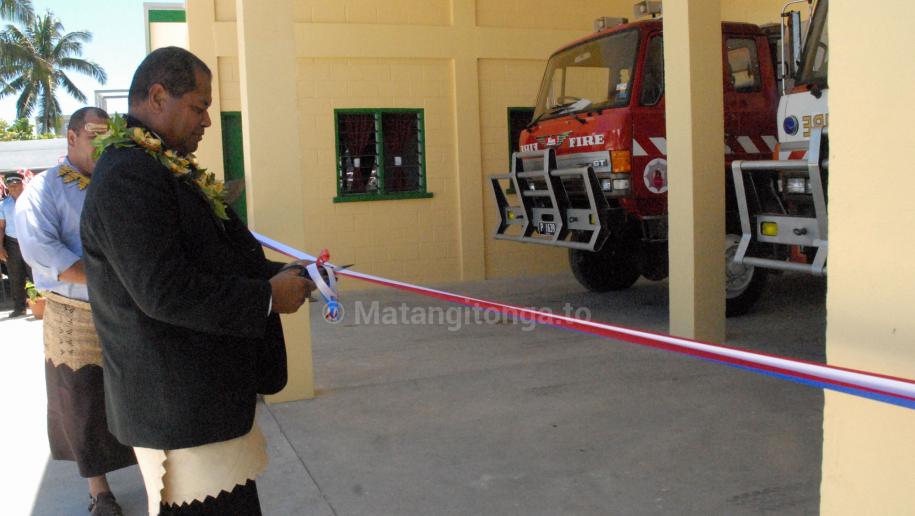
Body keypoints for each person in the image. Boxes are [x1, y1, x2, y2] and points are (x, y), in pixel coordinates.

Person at [80, 46, 314, 515]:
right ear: (158, 96)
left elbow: (214, 260)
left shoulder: (163, 166)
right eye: (199, 106)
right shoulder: (129, 174)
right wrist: (268, 297)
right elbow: (164, 290)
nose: (207, 120)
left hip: (203, 404)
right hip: (177, 411)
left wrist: (287, 274)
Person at [15, 107, 137, 515]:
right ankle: (99, 491)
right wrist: (113, 277)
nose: (105, 145)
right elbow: (44, 252)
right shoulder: (43, 190)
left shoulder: (120, 184)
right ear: (71, 138)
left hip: (127, 307)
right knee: (82, 401)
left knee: (139, 392)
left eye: (110, 137)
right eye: (95, 136)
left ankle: (157, 472)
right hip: (75, 313)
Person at [0, 171, 31, 317]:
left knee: (37, 272)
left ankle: (45, 303)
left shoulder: (32, 199)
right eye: (10, 185)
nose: (14, 187)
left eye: (16, 184)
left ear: (22, 184)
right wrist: (0, 247)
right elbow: (1, 227)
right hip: (12, 243)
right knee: (15, 275)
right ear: (7, 186)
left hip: (31, 241)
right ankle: (20, 307)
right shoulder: (3, 205)